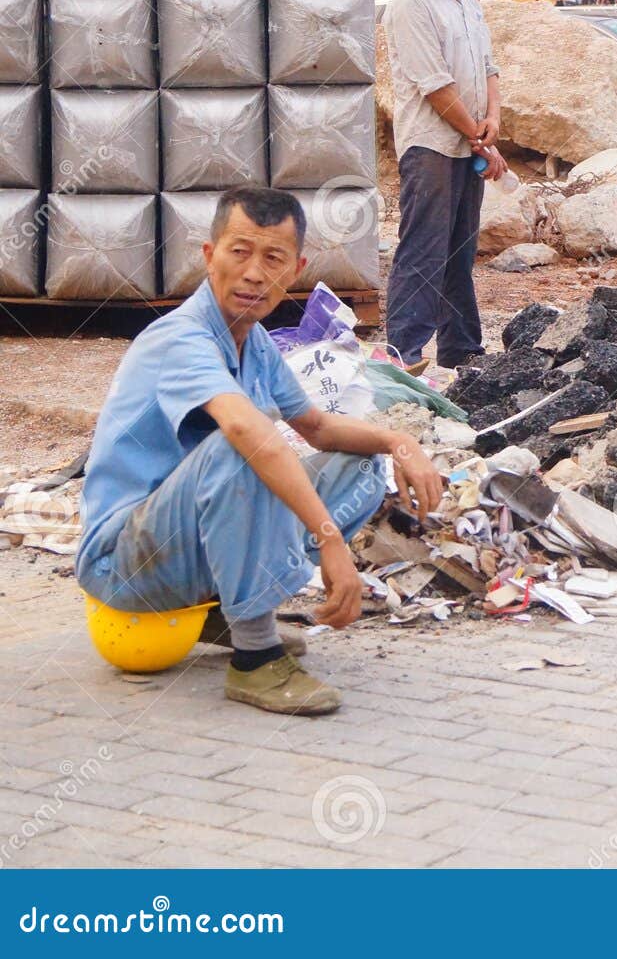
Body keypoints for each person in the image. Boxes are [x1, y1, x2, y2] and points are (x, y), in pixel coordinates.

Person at [74, 190, 444, 715]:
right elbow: (249, 435)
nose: (253, 273)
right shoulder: (181, 338)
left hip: (182, 549)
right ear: (209, 256)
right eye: (239, 252)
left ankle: (229, 608)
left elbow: (316, 427)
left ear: (295, 268)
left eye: (271, 258)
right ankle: (256, 660)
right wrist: (330, 539)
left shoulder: (255, 341)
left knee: (360, 464)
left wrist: (398, 441)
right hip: (124, 564)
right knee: (244, 446)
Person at [384, 0, 505, 371]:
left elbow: (489, 66)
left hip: (466, 138)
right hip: (431, 145)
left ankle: (461, 349)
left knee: (460, 250)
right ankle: (404, 352)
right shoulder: (411, 3)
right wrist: (477, 133)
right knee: (424, 248)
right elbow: (435, 86)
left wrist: (493, 119)